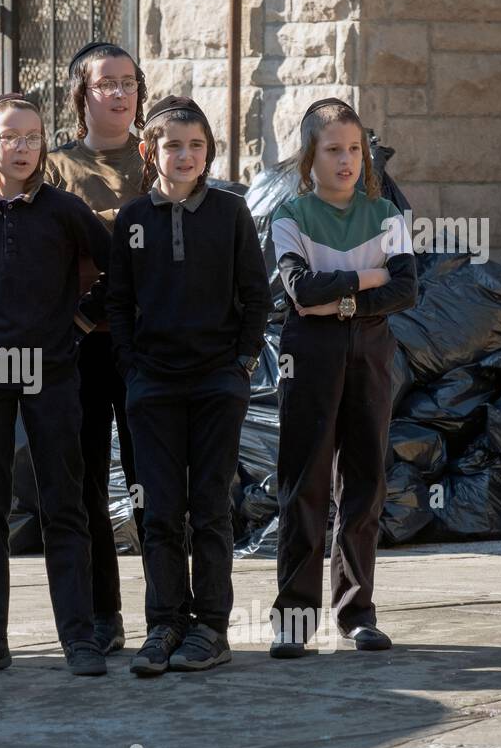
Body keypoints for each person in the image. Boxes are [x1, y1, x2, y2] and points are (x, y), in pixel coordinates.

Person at [0, 94, 112, 679]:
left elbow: (122, 271)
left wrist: (83, 321)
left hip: (53, 374)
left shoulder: (65, 210)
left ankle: (80, 640)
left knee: (65, 504)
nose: (24, 147)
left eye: (34, 136)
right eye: (11, 136)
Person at [107, 96, 271, 676]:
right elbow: (118, 304)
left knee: (210, 510)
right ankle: (164, 623)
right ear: (150, 152)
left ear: (209, 152)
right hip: (151, 389)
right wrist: (130, 366)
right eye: (173, 145)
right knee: (158, 513)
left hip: (216, 387)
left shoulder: (231, 215)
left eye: (196, 145)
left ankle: (211, 628)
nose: (185, 155)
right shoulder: (132, 220)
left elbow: (257, 295)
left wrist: (242, 364)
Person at [268, 98, 418, 658]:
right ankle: (294, 618)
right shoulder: (290, 217)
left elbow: (405, 289)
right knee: (304, 483)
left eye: (354, 149)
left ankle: (357, 613)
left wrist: (340, 299)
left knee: (364, 483)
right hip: (310, 358)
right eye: (333, 150)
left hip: (371, 356)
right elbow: (300, 294)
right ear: (310, 157)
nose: (347, 160)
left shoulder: (388, 214)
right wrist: (364, 278)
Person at [43, 41, 148, 655]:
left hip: (148, 347)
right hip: (79, 347)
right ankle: (102, 617)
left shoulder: (160, 158)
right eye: (106, 82)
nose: (120, 92)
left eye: (130, 81)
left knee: (154, 485)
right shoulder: (56, 168)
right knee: (83, 487)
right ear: (81, 93)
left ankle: (170, 613)